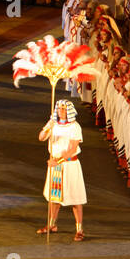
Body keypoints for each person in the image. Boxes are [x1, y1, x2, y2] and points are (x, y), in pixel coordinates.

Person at [38, 100, 86, 240]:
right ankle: (52, 224)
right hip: (55, 165)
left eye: (64, 109)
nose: (61, 111)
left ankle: (80, 229)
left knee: (75, 198)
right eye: (59, 108)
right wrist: (48, 126)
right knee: (54, 197)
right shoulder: (53, 124)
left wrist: (57, 162)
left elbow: (71, 149)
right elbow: (41, 137)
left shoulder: (75, 127)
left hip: (69, 165)